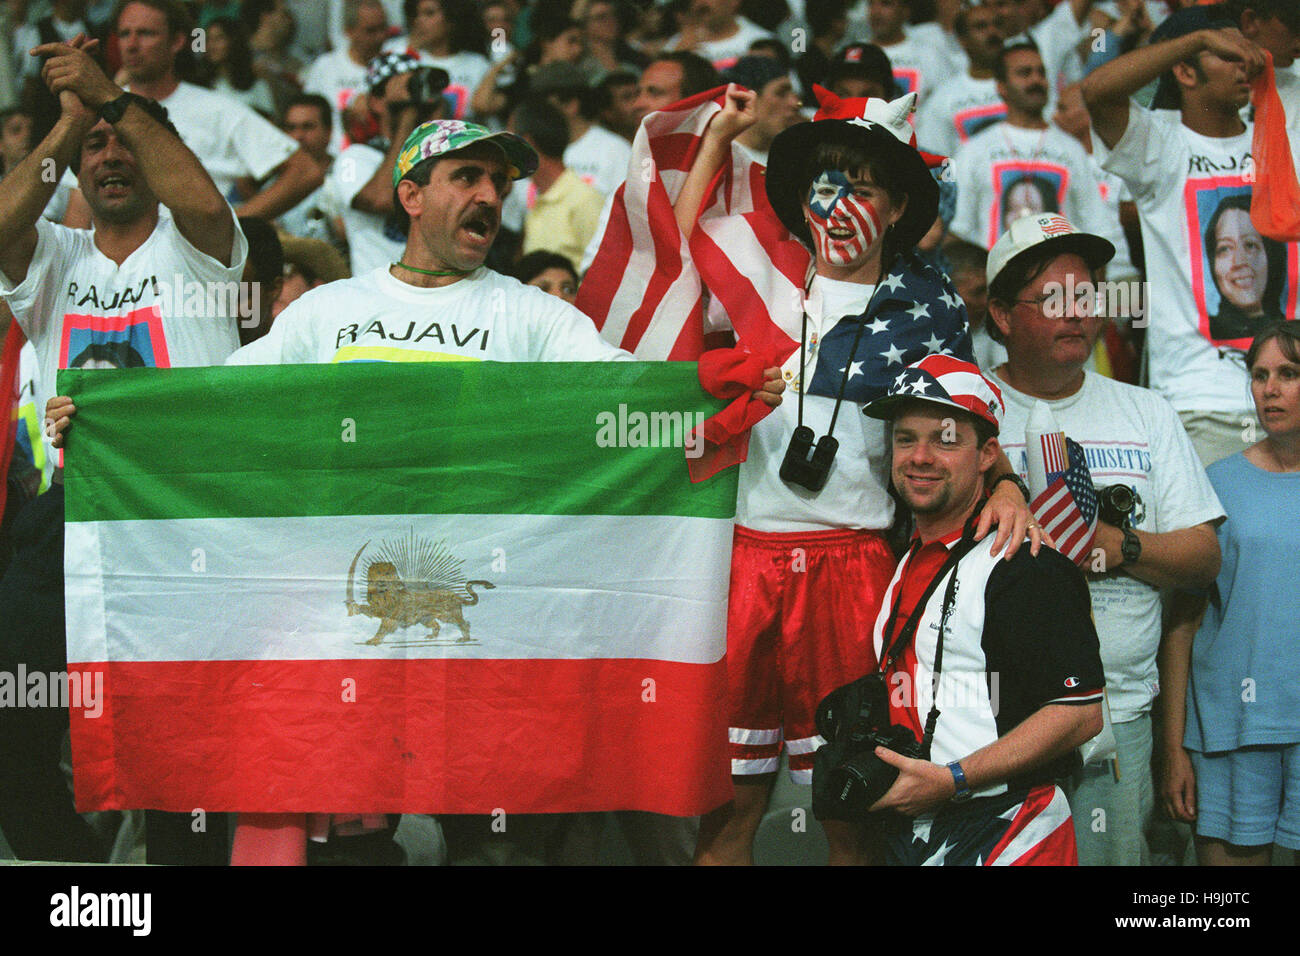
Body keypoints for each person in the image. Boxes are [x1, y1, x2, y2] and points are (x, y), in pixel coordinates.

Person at [667, 85, 1042, 865]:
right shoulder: (758, 268)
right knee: (726, 817)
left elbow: (962, 421)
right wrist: (715, 141)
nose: (838, 206)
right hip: (743, 562)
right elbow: (666, 262)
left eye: (861, 187)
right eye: (825, 184)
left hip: (859, 570)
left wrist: (1007, 484)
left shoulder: (930, 303)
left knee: (856, 816)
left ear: (900, 205)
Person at [0, 31, 247, 865]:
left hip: (191, 516)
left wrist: (113, 99)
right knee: (19, 708)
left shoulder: (200, 250)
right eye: (94, 149)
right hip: (70, 512)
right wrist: (71, 123)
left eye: (124, 140)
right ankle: (63, 864)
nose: (111, 154)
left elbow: (206, 201)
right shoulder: (53, 258)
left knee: (181, 730)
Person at [983, 212, 1224, 865]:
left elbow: (1204, 558)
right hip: (994, 713)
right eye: (1053, 299)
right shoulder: (969, 415)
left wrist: (1121, 547)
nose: (1077, 314)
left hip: (1117, 713)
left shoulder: (1146, 411)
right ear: (1001, 314)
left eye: (1086, 296)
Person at [857, 354, 1105, 865]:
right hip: (922, 827)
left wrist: (954, 778)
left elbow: (1078, 714)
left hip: (1009, 829)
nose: (920, 456)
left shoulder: (1024, 565)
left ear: (988, 453)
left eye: (945, 439)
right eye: (906, 438)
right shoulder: (908, 557)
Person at [1083, 7, 1300, 466]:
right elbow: (1096, 90)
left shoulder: (1285, 132)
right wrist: (1196, 39)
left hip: (1293, 400)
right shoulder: (1158, 145)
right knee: (1210, 540)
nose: (1242, 61)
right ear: (1184, 70)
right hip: (1198, 402)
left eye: (1244, 50)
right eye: (1225, 53)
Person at [1158, 321, 1300, 865]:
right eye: (1259, 375)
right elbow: (1181, 625)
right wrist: (1172, 749)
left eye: (1288, 374)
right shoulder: (1216, 483)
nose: (1269, 388)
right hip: (1230, 730)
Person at [114, 0, 324, 220]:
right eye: (124, 34)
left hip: (198, 246)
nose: (131, 44)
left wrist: (232, 225)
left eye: (146, 34)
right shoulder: (104, 108)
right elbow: (79, 207)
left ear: (176, 41)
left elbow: (305, 171)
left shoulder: (216, 109)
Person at [950, 39, 1112, 251]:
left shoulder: (1071, 149)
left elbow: (1095, 229)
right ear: (1001, 87)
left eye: (1041, 73)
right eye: (1025, 73)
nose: (1036, 80)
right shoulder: (974, 149)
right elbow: (959, 231)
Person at [915, 1, 1007, 158]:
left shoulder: (1023, 87)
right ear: (962, 40)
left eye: (997, 25)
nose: (992, 32)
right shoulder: (943, 99)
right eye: (981, 27)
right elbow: (934, 161)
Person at [301, 0, 390, 154]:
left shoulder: (395, 66)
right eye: (371, 31)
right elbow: (307, 117)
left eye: (383, 28)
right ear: (349, 31)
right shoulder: (326, 66)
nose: (380, 37)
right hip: (334, 160)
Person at [1203, 193, 1287, 340]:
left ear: (1273, 256)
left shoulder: (1294, 334)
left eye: (1250, 245)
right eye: (1225, 249)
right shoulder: (1197, 335)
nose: (1238, 261)